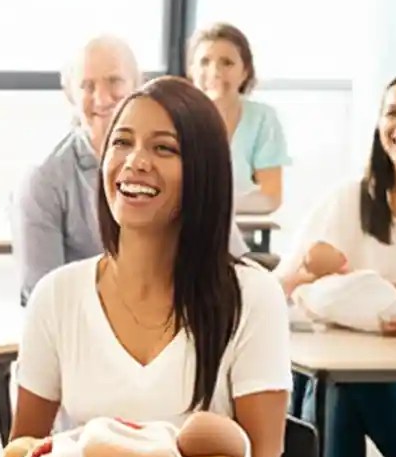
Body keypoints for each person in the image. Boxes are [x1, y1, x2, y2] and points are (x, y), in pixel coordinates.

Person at [9, 76, 297, 457]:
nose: (135, 162)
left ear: (203, 172)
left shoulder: (251, 296)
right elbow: (21, 455)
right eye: (122, 142)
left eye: (164, 149)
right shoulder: (57, 296)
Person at [275, 71, 396, 457]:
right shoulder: (350, 201)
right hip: (363, 383)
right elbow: (277, 286)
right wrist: (319, 271)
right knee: (344, 385)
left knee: (345, 389)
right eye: (392, 113)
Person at [14, 36, 250, 306]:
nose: (102, 98)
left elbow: (230, 262)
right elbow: (39, 300)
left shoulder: (188, 163)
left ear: (139, 85)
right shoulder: (43, 180)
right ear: (70, 95)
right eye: (87, 86)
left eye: (114, 82)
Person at [187, 22, 290, 214]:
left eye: (227, 63)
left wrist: (210, 206)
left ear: (245, 72)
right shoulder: (173, 118)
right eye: (204, 62)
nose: (215, 72)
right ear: (192, 70)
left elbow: (271, 198)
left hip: (242, 234)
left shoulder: (262, 119)